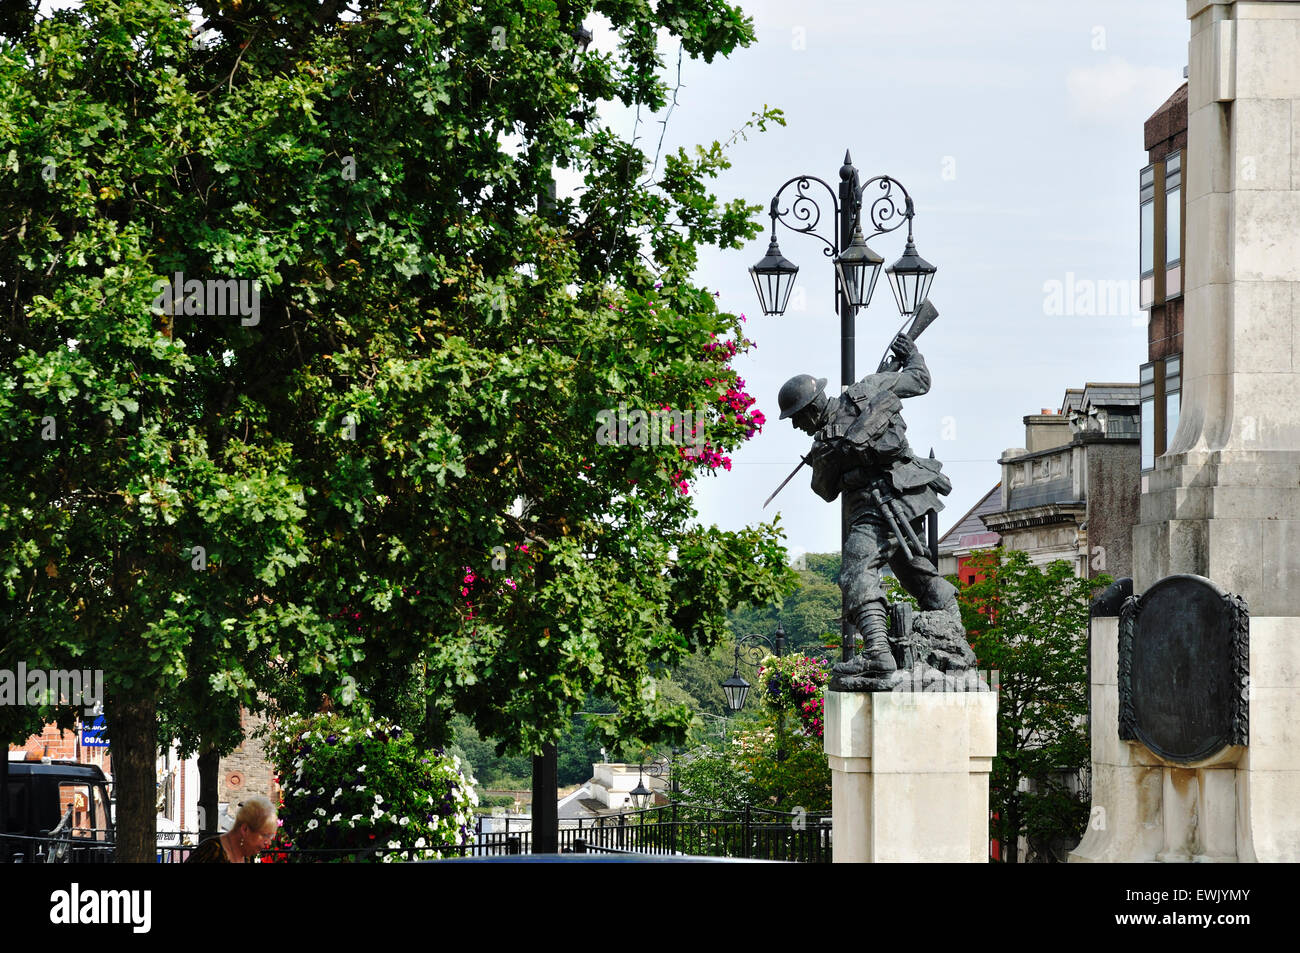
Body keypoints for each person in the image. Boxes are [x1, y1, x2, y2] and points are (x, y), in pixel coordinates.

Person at [779, 333, 956, 675]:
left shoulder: (839, 423)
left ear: (812, 408)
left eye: (797, 418)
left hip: (878, 508)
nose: (798, 427)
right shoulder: (862, 396)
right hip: (906, 501)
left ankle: (878, 651)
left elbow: (919, 380)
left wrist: (911, 352)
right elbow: (825, 490)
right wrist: (914, 357)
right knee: (915, 572)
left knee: (855, 572)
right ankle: (953, 629)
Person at [185, 795, 278, 863]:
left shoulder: (246, 856)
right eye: (264, 835)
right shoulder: (212, 850)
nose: (268, 842)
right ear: (245, 829)